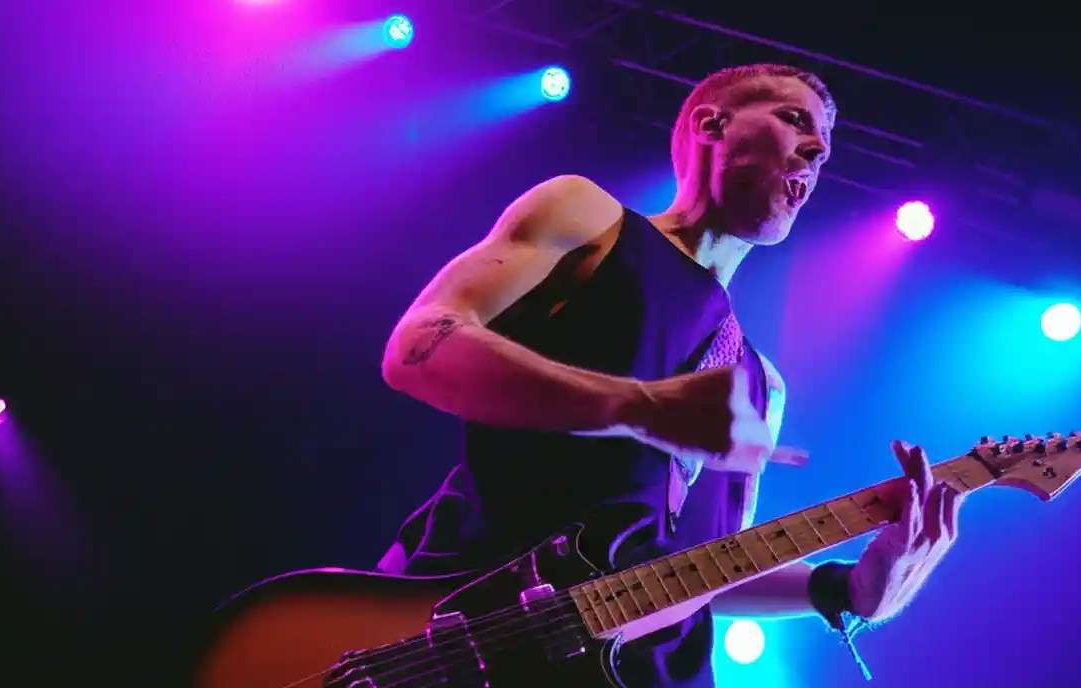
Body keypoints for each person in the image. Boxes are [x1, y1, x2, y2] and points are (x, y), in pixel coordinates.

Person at [376, 63, 962, 685]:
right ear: (711, 124)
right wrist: (639, 406)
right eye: (795, 122)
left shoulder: (762, 384)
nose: (817, 152)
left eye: (824, 148)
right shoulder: (589, 220)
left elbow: (699, 574)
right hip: (463, 637)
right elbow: (418, 345)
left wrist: (850, 588)